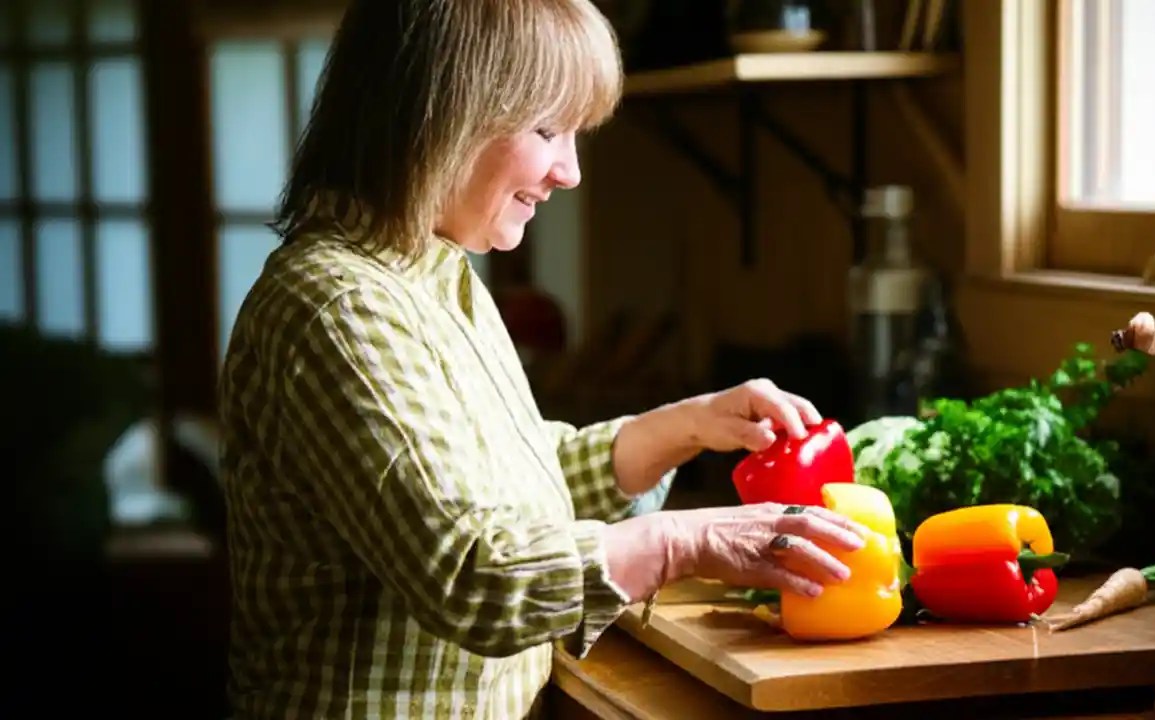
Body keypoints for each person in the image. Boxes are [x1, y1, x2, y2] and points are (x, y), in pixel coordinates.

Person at [217, 1, 865, 717]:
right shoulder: (339, 308)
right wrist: (688, 540)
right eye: (547, 130)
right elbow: (475, 573)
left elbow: (504, 483)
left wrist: (685, 426)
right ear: (441, 116)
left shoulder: (430, 274)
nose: (570, 171)